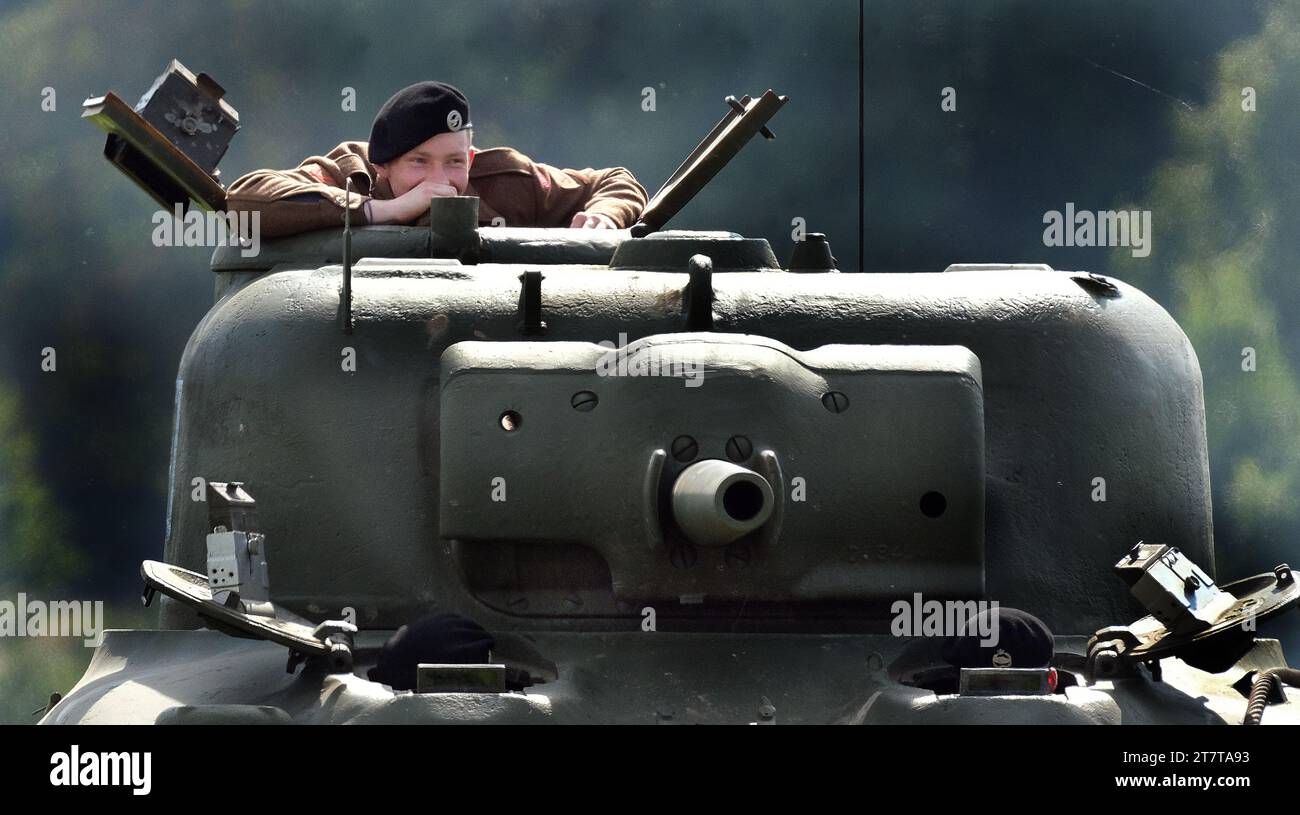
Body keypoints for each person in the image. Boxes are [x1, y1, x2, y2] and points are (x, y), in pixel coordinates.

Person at [225, 81, 648, 238]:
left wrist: (604, 217)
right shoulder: (352, 173)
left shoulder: (505, 181)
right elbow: (244, 200)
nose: (439, 178)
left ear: (471, 157)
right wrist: (378, 211)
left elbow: (614, 181)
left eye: (454, 162)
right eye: (418, 161)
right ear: (382, 165)